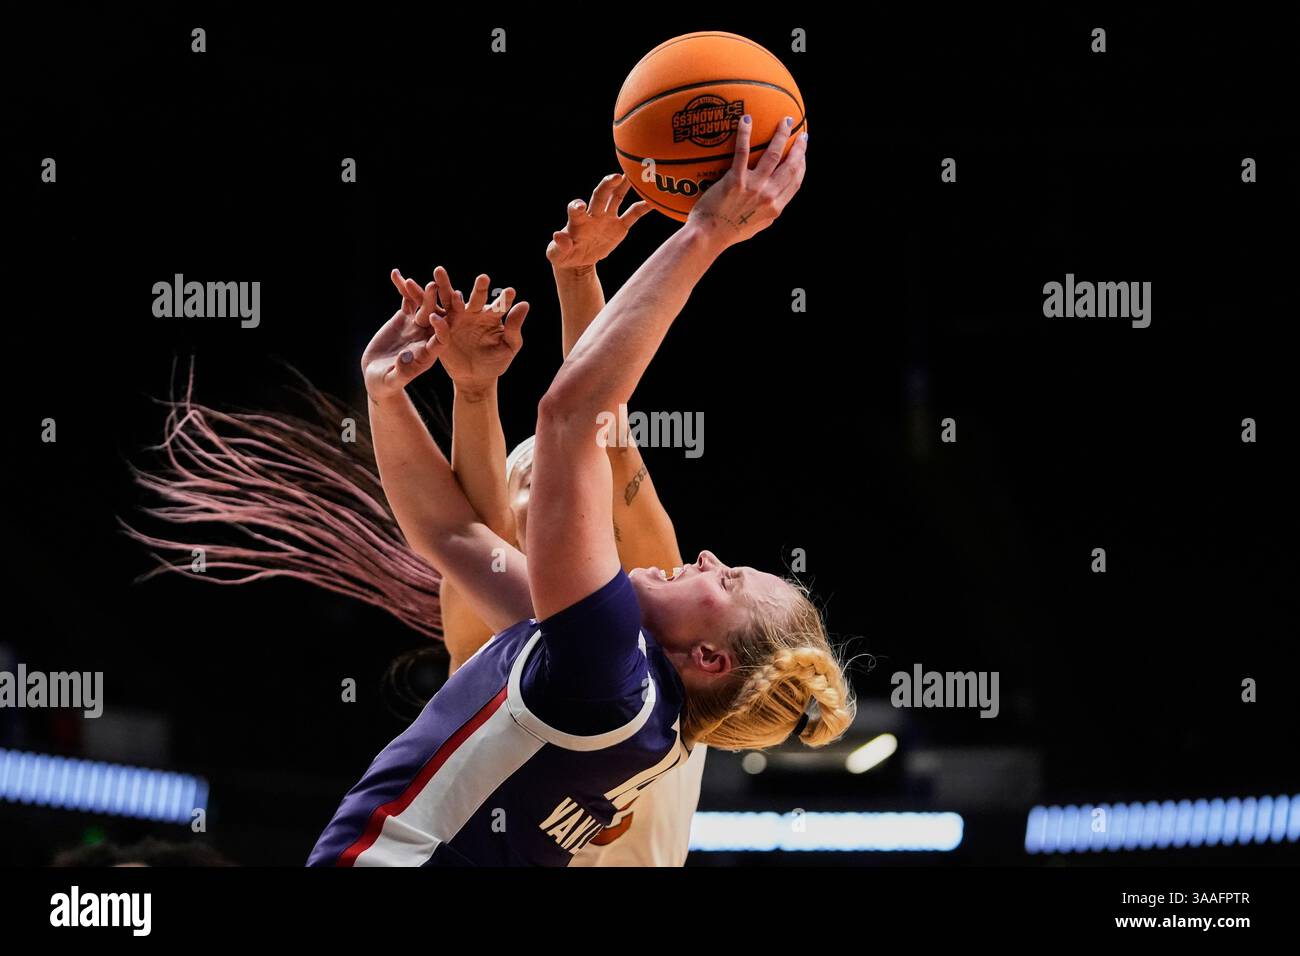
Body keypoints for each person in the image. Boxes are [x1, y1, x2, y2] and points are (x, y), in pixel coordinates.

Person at [306, 115, 853, 866]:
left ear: (711, 658)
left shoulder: (605, 665)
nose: (707, 554)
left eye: (725, 579)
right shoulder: (619, 681)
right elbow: (456, 536)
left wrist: (707, 233)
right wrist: (389, 395)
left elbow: (577, 419)